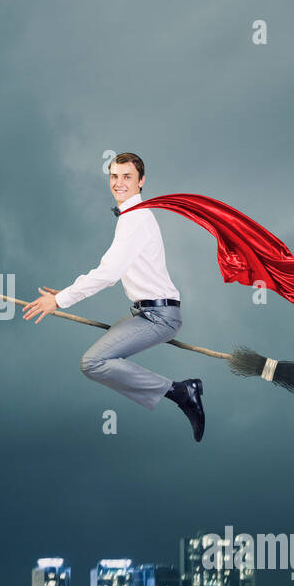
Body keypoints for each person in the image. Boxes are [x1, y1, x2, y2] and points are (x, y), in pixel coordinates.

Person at [22, 152, 206, 442]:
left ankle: (182, 392)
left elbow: (108, 274)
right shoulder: (133, 217)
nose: (119, 183)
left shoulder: (136, 219)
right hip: (144, 313)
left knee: (92, 362)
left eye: (127, 177)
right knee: (98, 360)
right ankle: (182, 391)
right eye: (114, 176)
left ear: (141, 181)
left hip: (159, 317)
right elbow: (111, 268)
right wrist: (66, 292)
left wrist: (59, 301)